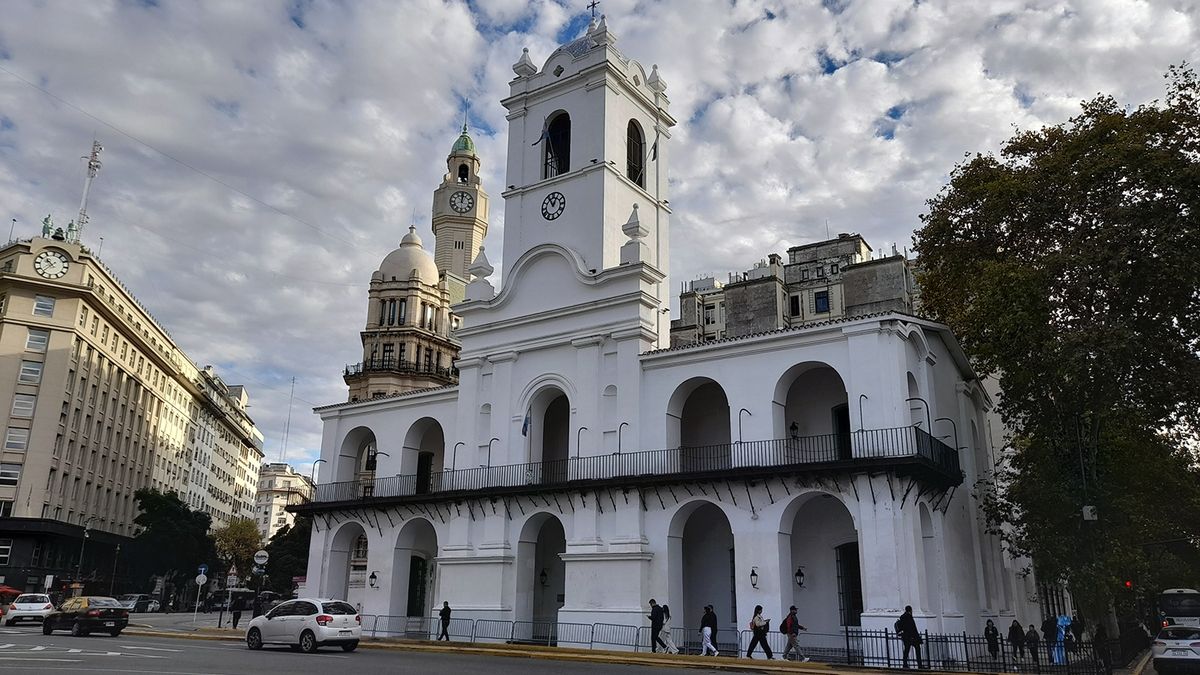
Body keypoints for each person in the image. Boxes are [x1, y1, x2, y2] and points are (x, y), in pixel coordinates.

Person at [896, 605, 923, 669]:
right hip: (912, 637)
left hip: (906, 637)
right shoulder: (909, 617)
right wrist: (916, 636)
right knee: (917, 649)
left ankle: (904, 664)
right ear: (910, 610)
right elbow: (912, 628)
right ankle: (919, 665)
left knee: (906, 651)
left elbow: (903, 627)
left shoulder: (902, 617)